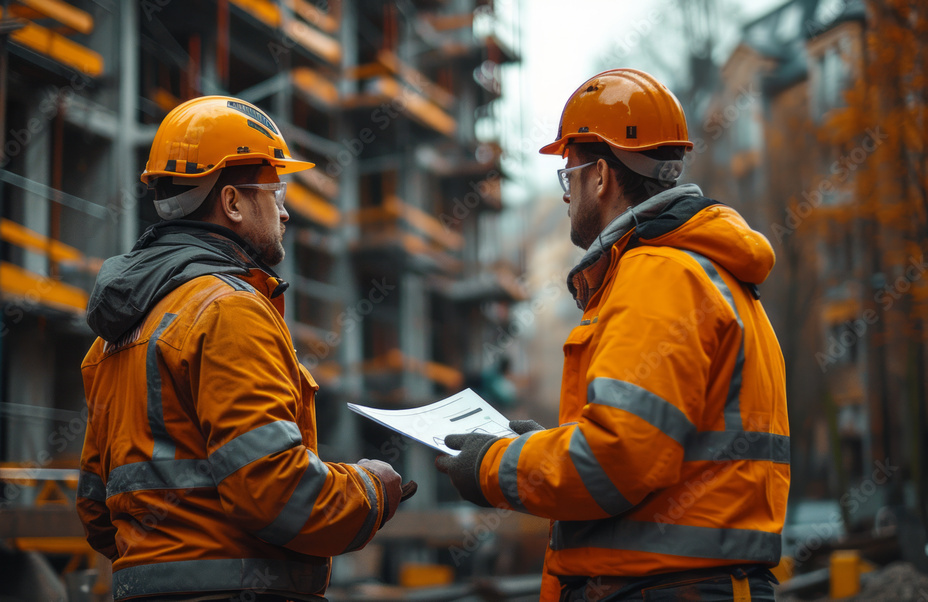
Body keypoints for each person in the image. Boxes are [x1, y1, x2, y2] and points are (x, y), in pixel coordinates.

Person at [436, 69, 789, 601]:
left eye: (568, 174)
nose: (566, 194)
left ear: (600, 175)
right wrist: (540, 446)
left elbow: (616, 460)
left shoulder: (656, 275)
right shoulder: (706, 274)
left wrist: (492, 465)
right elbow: (646, 444)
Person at [76, 96, 408, 602]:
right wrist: (371, 487)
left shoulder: (114, 336)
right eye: (275, 190)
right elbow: (279, 495)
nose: (285, 210)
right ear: (231, 202)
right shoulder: (227, 310)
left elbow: (99, 513)